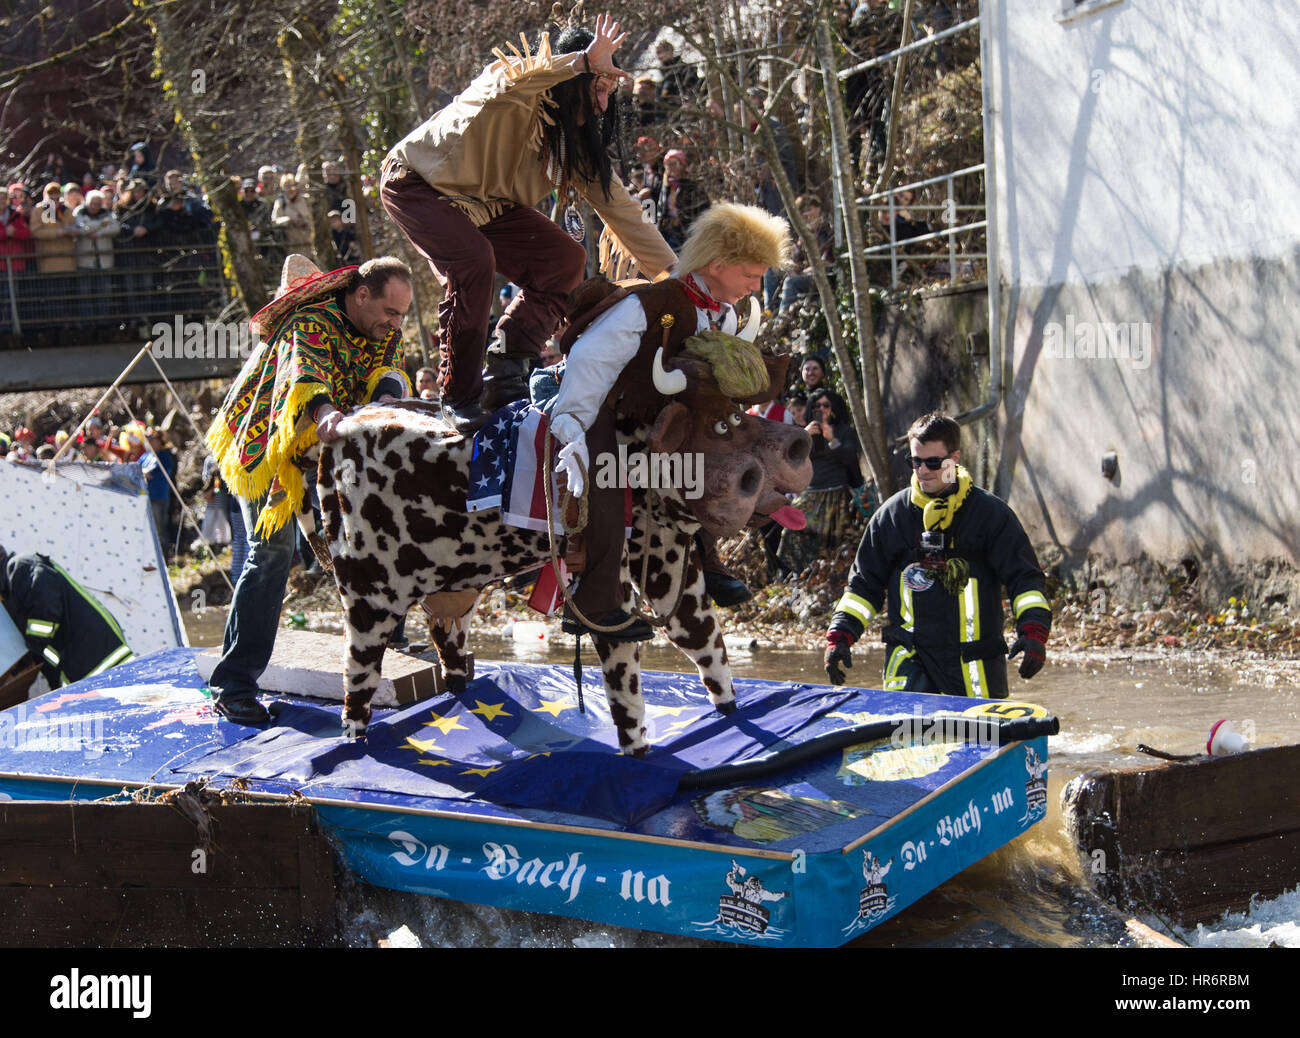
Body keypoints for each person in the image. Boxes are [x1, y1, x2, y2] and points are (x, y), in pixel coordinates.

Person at [380, 12, 677, 434]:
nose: (604, 103)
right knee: (473, 260)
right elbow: (515, 76)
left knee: (565, 261)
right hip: (417, 181)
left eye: (612, 91)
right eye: (599, 87)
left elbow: (625, 213)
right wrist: (580, 62)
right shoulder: (514, 88)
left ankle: (507, 366)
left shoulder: (573, 148)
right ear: (574, 79)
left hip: (485, 203)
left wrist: (681, 279)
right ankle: (457, 395)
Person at [548, 201, 793, 639]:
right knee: (604, 478)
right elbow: (589, 360)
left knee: (719, 454)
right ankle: (593, 603)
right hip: (604, 405)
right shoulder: (647, 304)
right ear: (718, 264)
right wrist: (573, 426)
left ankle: (708, 557)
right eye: (750, 276)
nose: (756, 287)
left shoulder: (727, 312)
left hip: (668, 417)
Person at [203, 256, 413, 725]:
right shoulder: (309, 322)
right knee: (272, 552)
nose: (395, 323)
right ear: (362, 295)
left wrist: (386, 400)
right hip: (266, 445)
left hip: (325, 446)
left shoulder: (386, 330)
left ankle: (389, 644)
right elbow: (306, 379)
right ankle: (233, 684)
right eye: (390, 312)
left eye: (401, 314)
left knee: (376, 531)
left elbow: (389, 371)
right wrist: (326, 415)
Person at [824, 412, 1051, 699]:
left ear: (955, 457)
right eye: (915, 461)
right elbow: (863, 588)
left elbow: (1025, 580)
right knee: (906, 738)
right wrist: (839, 637)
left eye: (933, 462)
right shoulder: (892, 517)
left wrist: (1033, 633)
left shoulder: (990, 515)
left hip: (974, 662)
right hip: (910, 658)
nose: (922, 471)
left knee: (981, 740)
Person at [0, 545, 135, 688]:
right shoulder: (9, 591)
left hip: (99, 653)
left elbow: (46, 604)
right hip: (82, 663)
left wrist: (34, 644)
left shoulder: (19, 566)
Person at [776, 388, 865, 576]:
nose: (822, 409)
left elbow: (850, 459)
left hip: (838, 493)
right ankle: (799, 574)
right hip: (811, 492)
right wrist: (804, 438)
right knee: (792, 531)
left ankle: (834, 575)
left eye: (826, 405)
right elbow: (790, 462)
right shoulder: (804, 432)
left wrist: (832, 439)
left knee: (838, 540)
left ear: (833, 407)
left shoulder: (843, 430)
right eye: (817, 405)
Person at [656, 149, 709, 250]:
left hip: (686, 232)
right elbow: (660, 208)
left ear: (682, 165)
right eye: (668, 164)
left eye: (674, 164)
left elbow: (703, 211)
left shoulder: (692, 187)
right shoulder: (665, 186)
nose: (671, 168)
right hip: (668, 232)